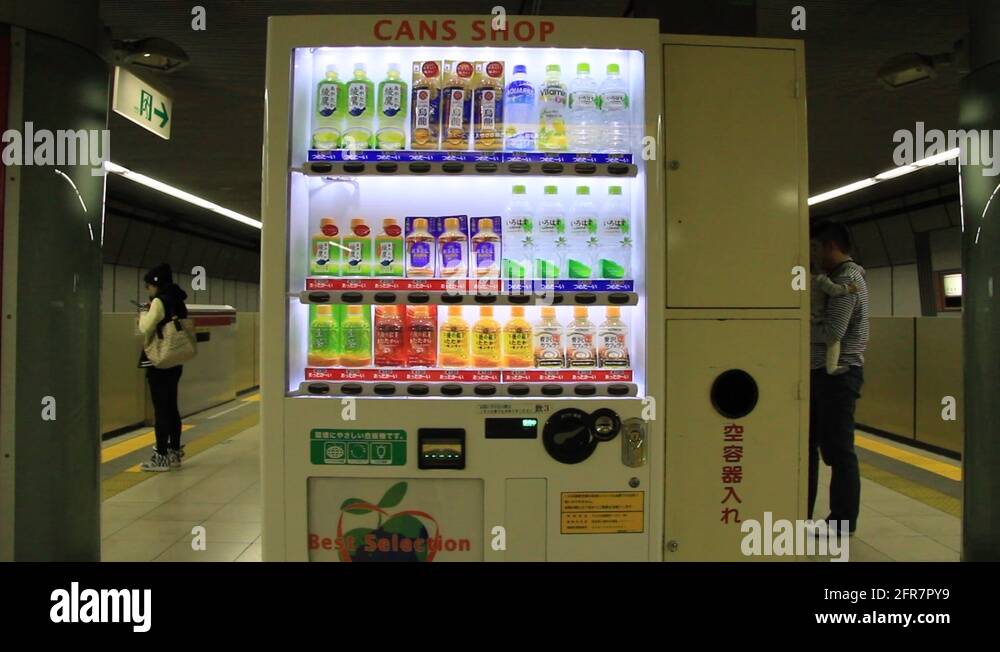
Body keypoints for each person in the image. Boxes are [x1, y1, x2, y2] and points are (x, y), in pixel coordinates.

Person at [808, 220, 869, 535]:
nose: (813, 253)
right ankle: (801, 510)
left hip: (838, 375)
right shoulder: (834, 278)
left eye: (815, 246)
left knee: (838, 450)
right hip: (822, 374)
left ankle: (843, 521)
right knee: (812, 445)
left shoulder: (848, 279)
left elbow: (833, 332)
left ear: (830, 245)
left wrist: (797, 328)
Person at [137, 263, 189, 472]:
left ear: (156, 284)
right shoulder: (178, 299)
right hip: (175, 359)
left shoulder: (159, 301)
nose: (147, 290)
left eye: (148, 286)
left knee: (161, 409)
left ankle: (160, 456)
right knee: (172, 406)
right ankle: (174, 450)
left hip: (159, 361)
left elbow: (145, 327)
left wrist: (143, 313)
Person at [811, 267, 859, 375]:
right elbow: (834, 290)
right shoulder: (820, 279)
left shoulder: (803, 281)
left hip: (809, 320)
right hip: (818, 319)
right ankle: (832, 367)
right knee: (834, 339)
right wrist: (850, 288)